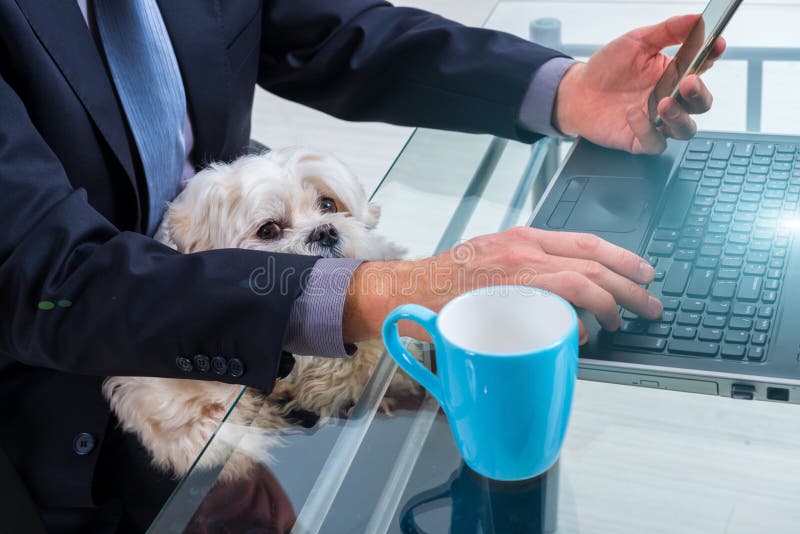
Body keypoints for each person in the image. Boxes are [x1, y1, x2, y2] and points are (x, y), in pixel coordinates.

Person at [0, 0, 723, 531]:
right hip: (68, 416)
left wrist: (564, 91)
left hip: (255, 329)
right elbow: (49, 274)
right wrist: (395, 288)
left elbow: (334, 32)